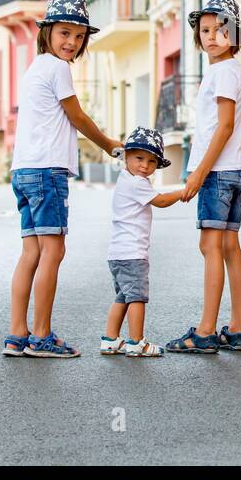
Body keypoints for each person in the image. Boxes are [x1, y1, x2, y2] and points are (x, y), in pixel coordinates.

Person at [3, 0, 121, 359]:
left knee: (31, 253)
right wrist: (109, 145)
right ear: (47, 32)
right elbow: (78, 116)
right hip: (46, 171)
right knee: (54, 251)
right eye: (64, 33)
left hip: (23, 169)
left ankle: (17, 334)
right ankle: (41, 336)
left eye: (79, 36)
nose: (71, 42)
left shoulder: (35, 67)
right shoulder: (57, 68)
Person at [167, 0, 241, 355]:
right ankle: (236, 328)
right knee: (230, 246)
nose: (211, 35)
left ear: (235, 36)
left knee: (210, 247)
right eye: (204, 30)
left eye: (221, 29)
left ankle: (205, 331)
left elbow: (224, 127)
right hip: (239, 169)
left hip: (219, 172)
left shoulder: (222, 72)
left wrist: (199, 173)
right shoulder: (233, 71)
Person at [100, 127, 187, 357]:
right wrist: (182, 192)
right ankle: (137, 342)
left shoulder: (125, 178)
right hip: (132, 254)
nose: (144, 166)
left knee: (123, 297)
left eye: (151, 162)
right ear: (127, 156)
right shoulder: (138, 184)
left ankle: (110, 339)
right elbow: (160, 201)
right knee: (137, 297)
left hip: (117, 254)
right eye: (139, 158)